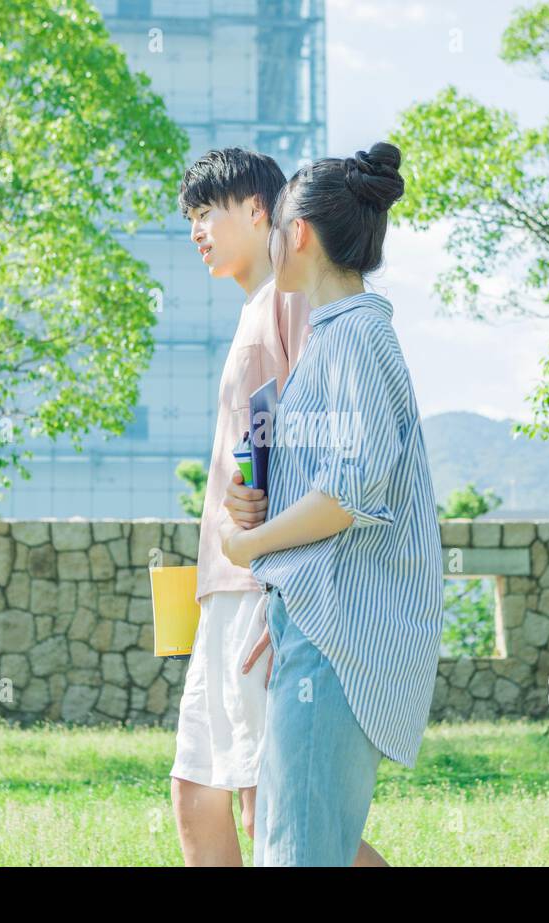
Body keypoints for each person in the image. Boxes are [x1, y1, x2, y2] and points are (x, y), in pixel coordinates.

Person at [219, 142, 443, 867]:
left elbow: (349, 491)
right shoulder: (335, 338)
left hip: (338, 637)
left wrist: (250, 547)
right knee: (303, 842)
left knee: (297, 851)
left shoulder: (353, 338)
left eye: (276, 225)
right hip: (317, 625)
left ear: (301, 234)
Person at [170, 147, 384, 867]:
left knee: (279, 816)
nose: (197, 230)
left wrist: (276, 591)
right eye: (191, 218)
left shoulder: (292, 303)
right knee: (200, 793)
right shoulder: (256, 311)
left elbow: (325, 458)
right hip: (229, 585)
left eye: (207, 212)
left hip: (263, 586)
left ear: (258, 210)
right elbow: (267, 451)